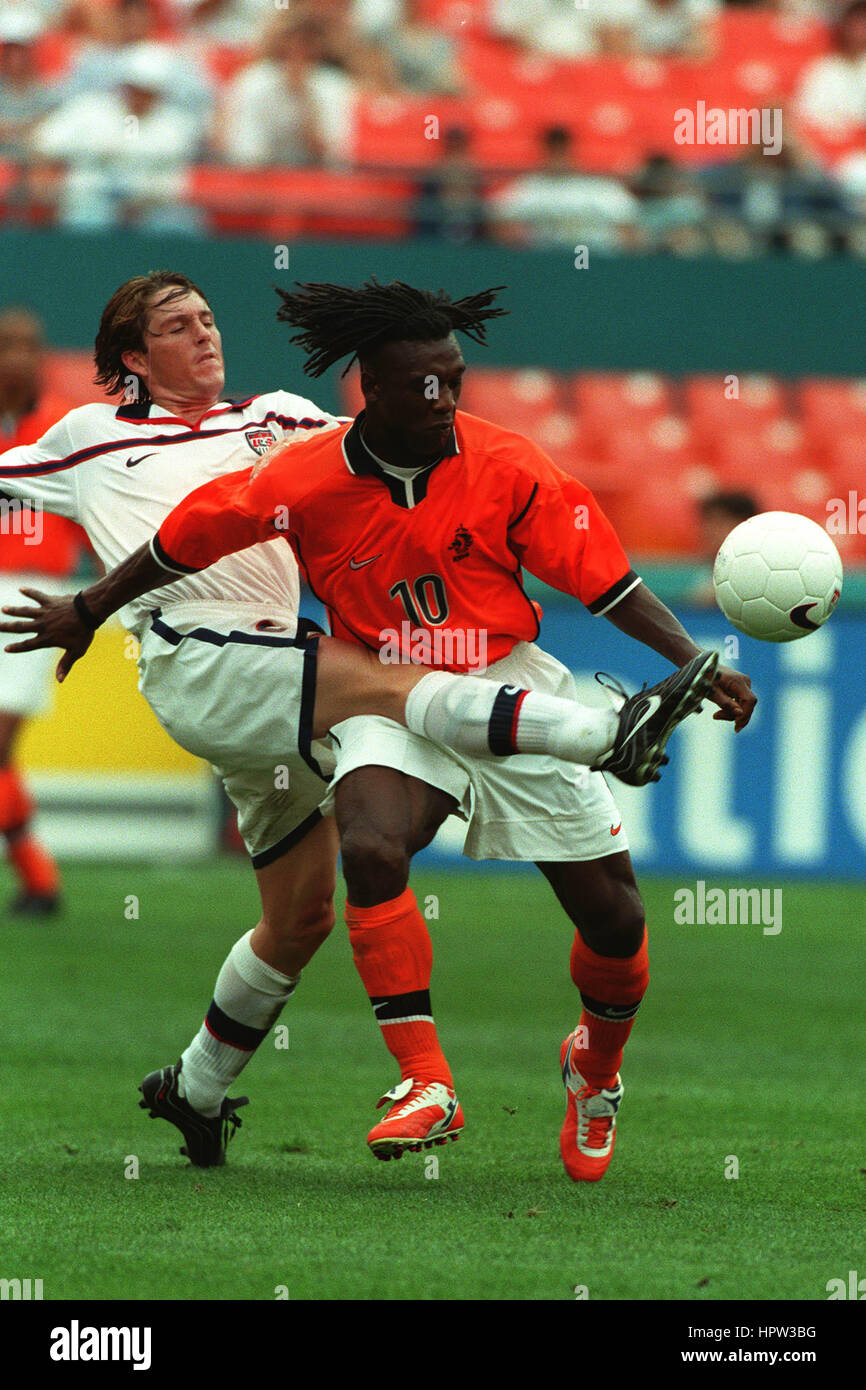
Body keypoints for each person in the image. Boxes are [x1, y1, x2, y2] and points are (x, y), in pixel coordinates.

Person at [7, 280, 755, 1181]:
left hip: (377, 676)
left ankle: (202, 1088)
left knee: (330, 916)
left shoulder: (306, 428)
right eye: (176, 325)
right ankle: (431, 1067)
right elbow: (189, 537)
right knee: (375, 809)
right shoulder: (120, 445)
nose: (441, 403)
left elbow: (599, 575)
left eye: (208, 316)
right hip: (271, 672)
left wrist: (685, 655)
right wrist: (86, 607)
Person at [0, 306, 83, 915]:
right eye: (6, 345)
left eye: (29, 345)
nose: (17, 357)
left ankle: (37, 875)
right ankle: (37, 880)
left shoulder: (65, 429)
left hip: (31, 598)